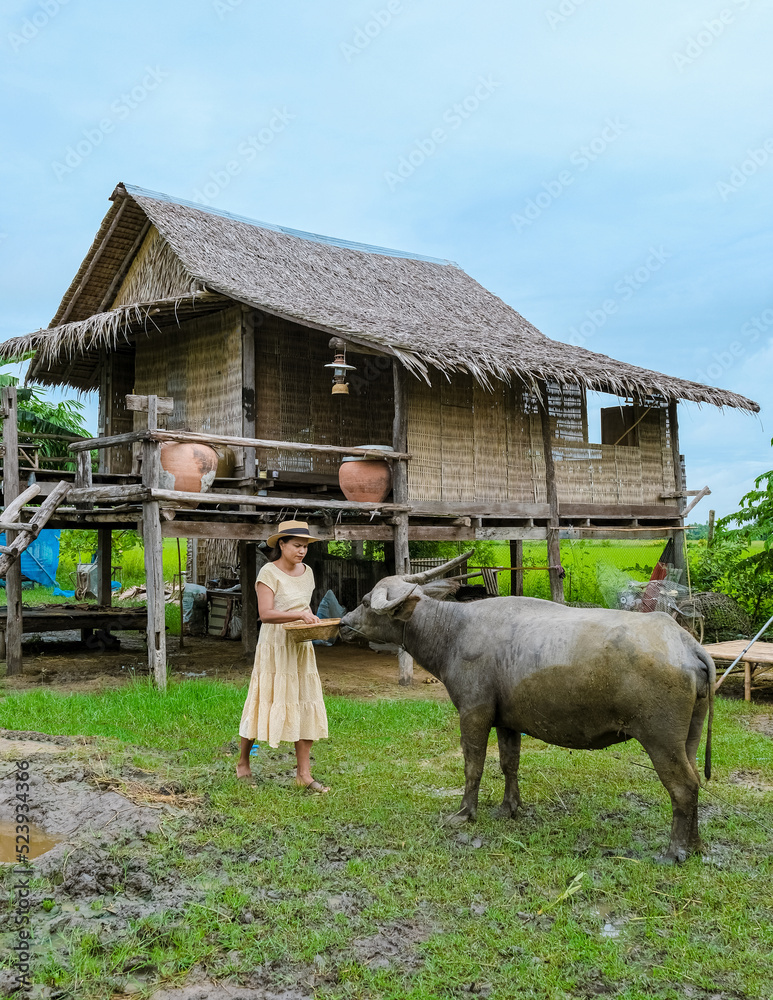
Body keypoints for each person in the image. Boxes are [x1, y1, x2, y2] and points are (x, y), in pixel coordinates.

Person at [236, 520, 330, 792]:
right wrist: (299, 614)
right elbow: (265, 614)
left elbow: (303, 607)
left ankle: (304, 773)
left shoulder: (308, 572)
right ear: (282, 544)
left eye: (305, 547)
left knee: (304, 701)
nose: (302, 551)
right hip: (275, 644)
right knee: (263, 699)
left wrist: (310, 619)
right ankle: (243, 762)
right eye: (297, 545)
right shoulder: (268, 573)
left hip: (301, 645)